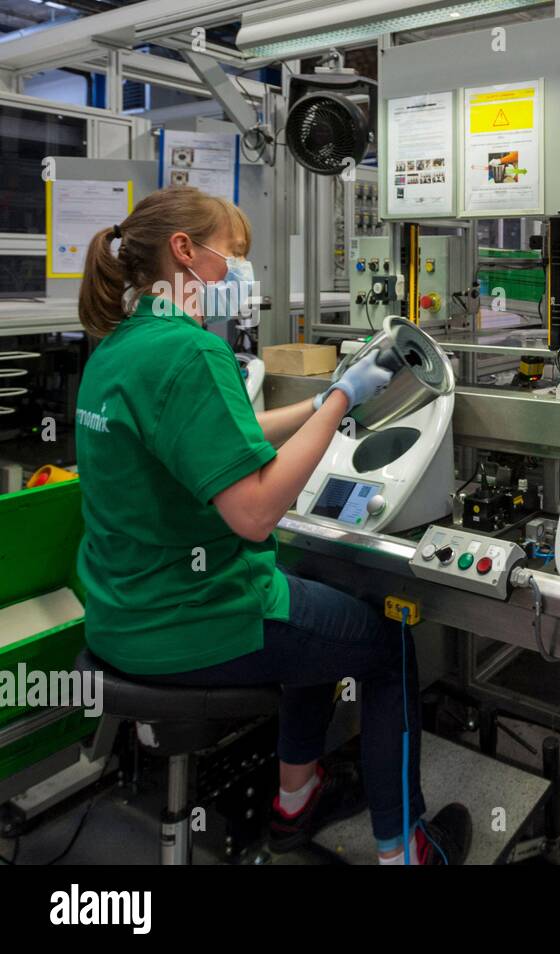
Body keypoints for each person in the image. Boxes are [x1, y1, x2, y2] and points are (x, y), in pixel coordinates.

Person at [74, 185, 470, 865]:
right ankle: (407, 848)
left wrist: (323, 399)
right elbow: (256, 514)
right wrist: (344, 398)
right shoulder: (190, 352)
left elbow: (228, 436)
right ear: (184, 253)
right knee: (386, 647)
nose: (238, 275)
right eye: (231, 257)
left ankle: (295, 801)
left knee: (321, 610)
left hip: (121, 612)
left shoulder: (118, 347)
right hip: (193, 618)